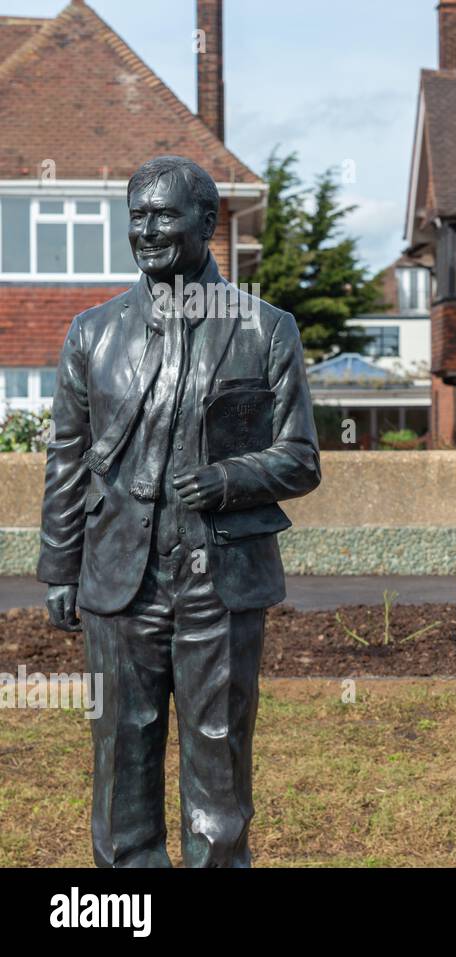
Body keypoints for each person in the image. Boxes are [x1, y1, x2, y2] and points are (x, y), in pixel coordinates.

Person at [38, 156, 321, 867]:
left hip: (218, 582)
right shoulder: (91, 333)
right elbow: (67, 461)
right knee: (120, 759)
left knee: (218, 764)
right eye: (137, 215)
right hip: (117, 581)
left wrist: (228, 478)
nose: (147, 229)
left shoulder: (265, 328)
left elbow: (302, 458)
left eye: (163, 214)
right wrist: (59, 568)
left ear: (206, 222)